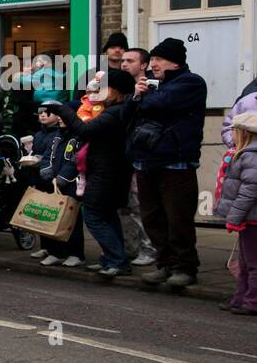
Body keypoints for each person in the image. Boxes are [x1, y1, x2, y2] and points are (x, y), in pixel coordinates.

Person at [125, 37, 207, 288]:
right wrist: (136, 96)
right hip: (147, 160)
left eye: (159, 59)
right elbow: (127, 115)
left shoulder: (191, 83)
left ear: (174, 62)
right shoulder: (152, 85)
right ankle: (165, 264)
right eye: (153, 60)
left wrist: (145, 95)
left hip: (176, 162)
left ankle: (185, 267)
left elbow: (163, 104)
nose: (154, 64)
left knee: (177, 218)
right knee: (152, 217)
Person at [53, 70, 136, 277]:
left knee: (93, 214)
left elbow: (84, 130)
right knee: (107, 214)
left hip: (107, 171)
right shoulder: (116, 110)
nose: (99, 91)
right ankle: (113, 259)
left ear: (116, 91)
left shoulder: (114, 113)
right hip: (109, 169)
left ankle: (116, 259)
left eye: (105, 87)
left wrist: (63, 110)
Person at [27, 99, 85, 267]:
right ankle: (56, 251)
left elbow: (75, 160)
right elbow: (50, 155)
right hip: (52, 181)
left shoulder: (77, 135)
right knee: (51, 215)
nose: (60, 118)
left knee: (71, 219)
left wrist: (63, 178)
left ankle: (75, 253)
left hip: (70, 183)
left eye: (63, 114)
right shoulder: (59, 134)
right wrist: (47, 170)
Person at [114, 48, 157, 266]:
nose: (124, 64)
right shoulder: (125, 88)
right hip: (126, 153)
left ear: (144, 65)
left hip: (144, 154)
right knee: (126, 205)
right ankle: (132, 248)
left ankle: (149, 249)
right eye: (123, 61)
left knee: (140, 205)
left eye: (130, 60)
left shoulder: (152, 87)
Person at [216, 112, 257, 315]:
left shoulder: (251, 156)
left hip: (251, 219)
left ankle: (252, 301)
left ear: (243, 133)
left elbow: (249, 190)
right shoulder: (245, 154)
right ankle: (240, 298)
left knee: (252, 263)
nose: (231, 133)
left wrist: (234, 218)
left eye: (234, 130)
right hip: (248, 218)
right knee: (244, 262)